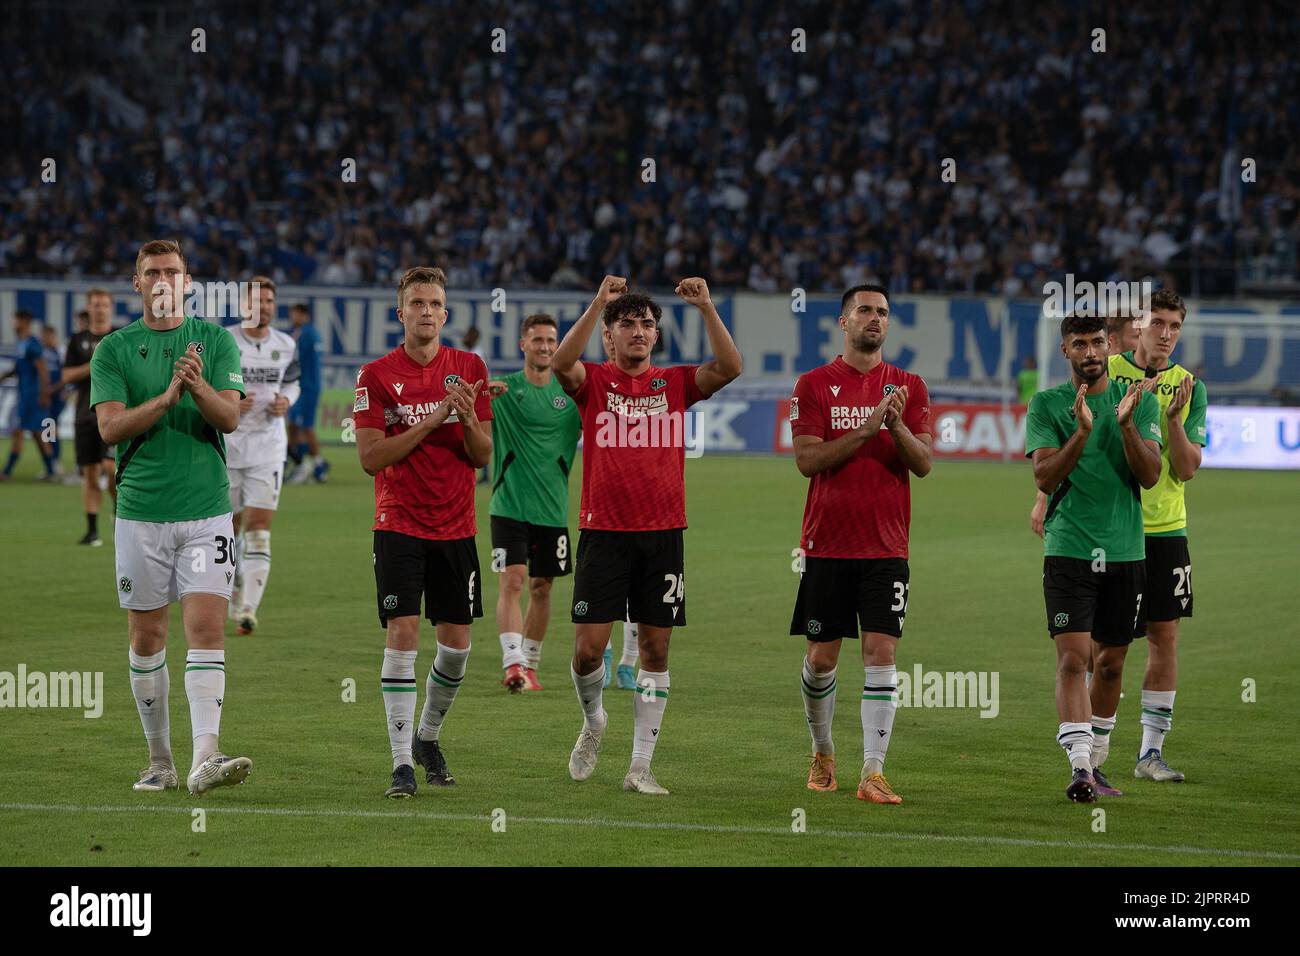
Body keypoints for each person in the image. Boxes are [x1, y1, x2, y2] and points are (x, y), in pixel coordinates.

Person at [551, 275, 742, 796]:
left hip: (663, 536)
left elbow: (730, 367)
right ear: (609, 336)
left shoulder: (674, 385)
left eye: (647, 325)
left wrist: (706, 308)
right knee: (589, 651)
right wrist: (597, 304)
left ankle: (640, 766)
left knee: (656, 650)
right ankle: (593, 722)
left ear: (657, 335)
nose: (639, 331)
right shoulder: (593, 381)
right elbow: (560, 364)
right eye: (628, 324)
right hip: (604, 533)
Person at [90, 238, 252, 795]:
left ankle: (205, 755)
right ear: (137, 283)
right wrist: (165, 397)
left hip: (207, 511)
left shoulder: (214, 341)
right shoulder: (113, 349)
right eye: (152, 272)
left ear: (188, 283)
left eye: (173, 272)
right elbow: (109, 429)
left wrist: (198, 384)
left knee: (206, 628)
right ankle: (159, 760)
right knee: (147, 635)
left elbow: (229, 417)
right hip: (140, 513)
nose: (163, 280)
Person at [789, 284, 933, 804]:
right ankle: (823, 751)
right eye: (865, 311)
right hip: (827, 545)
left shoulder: (909, 386)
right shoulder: (813, 384)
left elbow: (923, 463)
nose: (876, 319)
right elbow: (808, 461)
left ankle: (873, 772)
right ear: (843, 322)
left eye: (883, 313)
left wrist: (893, 427)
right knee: (822, 660)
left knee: (881, 653)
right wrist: (869, 426)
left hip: (887, 548)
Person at [353, 266, 493, 799]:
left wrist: (470, 421)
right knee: (403, 635)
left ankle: (427, 738)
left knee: (456, 648)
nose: (427, 312)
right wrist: (433, 420)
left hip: (456, 527)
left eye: (435, 303)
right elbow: (370, 457)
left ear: (446, 313)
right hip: (399, 523)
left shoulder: (470, 368)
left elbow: (482, 456)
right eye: (417, 303)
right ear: (401, 312)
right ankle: (399, 766)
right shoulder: (377, 375)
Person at [1025, 312, 1162, 803]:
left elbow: (1149, 476)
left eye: (1097, 343)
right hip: (1068, 550)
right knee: (1073, 659)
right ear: (1066, 351)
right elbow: (1044, 478)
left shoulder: (1137, 402)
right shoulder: (1047, 405)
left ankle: (1098, 762)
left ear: (1110, 347)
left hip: (1125, 552)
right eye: (1079, 344)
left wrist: (1124, 426)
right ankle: (1080, 767)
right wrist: (1081, 433)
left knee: (1109, 664)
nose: (1090, 352)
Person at [1103, 289, 1206, 784]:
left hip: (1166, 530)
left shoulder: (1189, 387)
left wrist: (1172, 422)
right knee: (1107, 647)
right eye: (1157, 323)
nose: (1166, 334)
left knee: (1164, 640)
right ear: (1137, 327)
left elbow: (1186, 470)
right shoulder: (1106, 370)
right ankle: (1092, 751)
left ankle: (1149, 754)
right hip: (1112, 529)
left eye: (1174, 326)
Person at [486, 313, 581, 693]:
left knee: (542, 587)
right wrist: (477, 397)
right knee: (512, 580)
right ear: (522, 344)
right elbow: (463, 406)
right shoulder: (502, 391)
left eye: (550, 340)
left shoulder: (571, 397)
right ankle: (512, 664)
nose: (544, 346)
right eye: (537, 339)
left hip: (553, 509)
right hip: (507, 507)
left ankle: (531, 665)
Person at [226, 276, 300, 636]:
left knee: (258, 528)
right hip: (226, 445)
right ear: (244, 306)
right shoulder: (224, 340)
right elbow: (202, 384)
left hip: (269, 447)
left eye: (270, 301)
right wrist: (230, 402)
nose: (264, 307)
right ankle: (233, 584)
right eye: (257, 301)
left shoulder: (285, 344)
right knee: (228, 527)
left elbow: (293, 381)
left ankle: (248, 609)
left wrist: (289, 399)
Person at [62, 289, 118, 543]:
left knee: (111, 469)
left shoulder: (119, 337)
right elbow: (66, 376)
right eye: (95, 305)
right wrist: (93, 364)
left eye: (104, 305)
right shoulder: (78, 340)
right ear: (89, 307)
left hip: (114, 414)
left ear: (110, 308)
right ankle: (92, 530)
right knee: (90, 473)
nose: (100, 309)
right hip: (84, 414)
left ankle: (119, 514)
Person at [1, 310, 55, 481]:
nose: (13, 323)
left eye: (16, 320)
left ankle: (7, 472)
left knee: (19, 431)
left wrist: (45, 393)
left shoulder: (33, 344)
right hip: (24, 394)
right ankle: (51, 470)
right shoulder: (21, 343)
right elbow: (18, 368)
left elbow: (42, 369)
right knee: (37, 434)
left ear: (25, 321)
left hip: (32, 396)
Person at [287, 303, 326, 484]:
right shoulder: (295, 333)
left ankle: (318, 465)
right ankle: (301, 462)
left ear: (304, 315)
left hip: (309, 386)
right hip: (298, 386)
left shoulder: (310, 334)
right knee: (293, 425)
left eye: (296, 313)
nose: (293, 317)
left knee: (306, 426)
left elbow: (303, 361)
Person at [41, 324, 67, 473]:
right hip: (46, 396)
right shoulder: (43, 352)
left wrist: (58, 389)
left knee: (51, 427)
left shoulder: (61, 351)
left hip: (57, 396)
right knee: (48, 427)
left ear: (53, 336)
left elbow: (66, 375)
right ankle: (51, 462)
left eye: (47, 336)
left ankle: (54, 462)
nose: (45, 339)